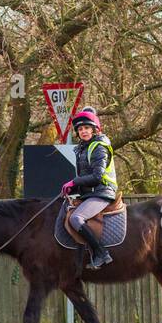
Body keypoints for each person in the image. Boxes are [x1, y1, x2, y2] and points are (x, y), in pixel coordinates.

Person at [60, 107, 118, 269]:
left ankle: (101, 252)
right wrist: (72, 189)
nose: (83, 131)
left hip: (102, 192)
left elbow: (96, 177)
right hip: (90, 193)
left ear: (94, 129)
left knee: (76, 219)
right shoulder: (82, 149)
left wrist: (74, 182)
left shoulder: (99, 147)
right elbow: (85, 179)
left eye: (87, 128)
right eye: (80, 129)